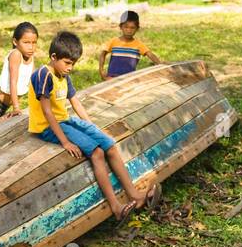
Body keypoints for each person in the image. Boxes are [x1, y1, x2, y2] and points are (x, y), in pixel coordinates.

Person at [29, 30, 160, 219]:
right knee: (97, 153)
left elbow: (75, 102)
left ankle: (134, 195)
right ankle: (115, 207)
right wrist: (65, 142)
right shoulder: (43, 75)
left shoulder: (64, 75)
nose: (70, 68)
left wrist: (91, 126)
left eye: (73, 64)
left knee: (110, 146)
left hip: (66, 120)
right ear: (53, 57)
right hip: (48, 127)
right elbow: (47, 112)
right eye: (67, 63)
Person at [98, 10, 161, 79]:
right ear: (121, 27)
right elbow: (103, 54)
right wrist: (101, 70)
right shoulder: (113, 42)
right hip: (112, 79)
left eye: (132, 28)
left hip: (129, 80)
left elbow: (150, 55)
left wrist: (160, 64)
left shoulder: (138, 44)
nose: (129, 30)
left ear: (137, 28)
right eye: (126, 27)